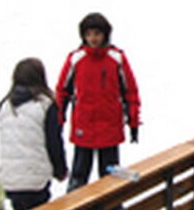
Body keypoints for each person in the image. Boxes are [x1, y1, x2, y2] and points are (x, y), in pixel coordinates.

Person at [56, 13, 141, 190]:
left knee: (110, 175)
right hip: (84, 126)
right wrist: (59, 117)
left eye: (97, 34)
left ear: (105, 34)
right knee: (79, 173)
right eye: (88, 34)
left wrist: (133, 121)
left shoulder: (116, 58)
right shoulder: (76, 58)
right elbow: (62, 90)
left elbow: (130, 91)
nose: (93, 38)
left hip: (109, 126)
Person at [0, 58, 67, 210]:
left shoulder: (5, 106)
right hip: (36, 178)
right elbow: (54, 142)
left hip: (10, 177)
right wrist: (60, 170)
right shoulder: (46, 105)